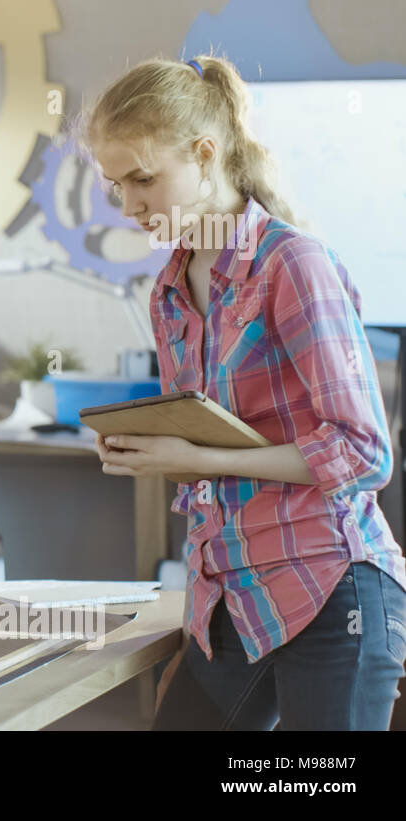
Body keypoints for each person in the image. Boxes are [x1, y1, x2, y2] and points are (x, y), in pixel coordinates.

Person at [81, 54, 406, 729]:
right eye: (117, 186)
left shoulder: (292, 264)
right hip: (230, 593)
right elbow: (207, 436)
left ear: (205, 155)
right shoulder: (168, 290)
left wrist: (202, 459)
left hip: (329, 585)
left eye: (144, 178)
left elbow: (365, 453)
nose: (131, 204)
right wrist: (157, 447)